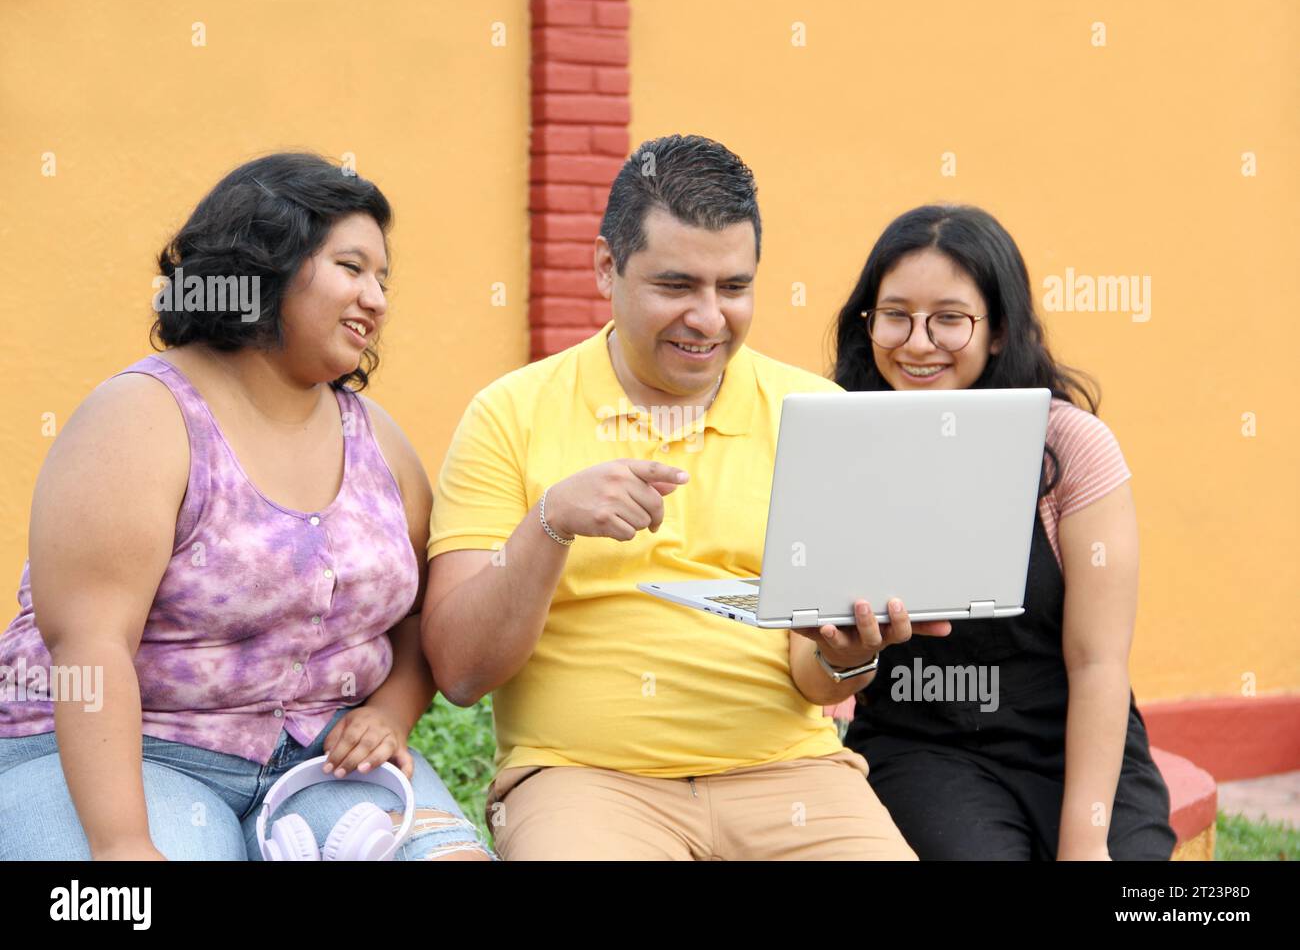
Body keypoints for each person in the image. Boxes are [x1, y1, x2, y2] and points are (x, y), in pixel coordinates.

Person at [421, 134, 949, 860]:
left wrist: (847, 655)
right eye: (676, 286)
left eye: (733, 288)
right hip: (586, 783)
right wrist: (550, 525)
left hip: (790, 775)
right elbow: (460, 671)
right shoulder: (510, 414)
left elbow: (817, 679)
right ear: (607, 266)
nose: (708, 319)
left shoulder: (815, 411)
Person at [0, 152, 491, 861]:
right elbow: (90, 644)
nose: (378, 299)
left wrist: (389, 712)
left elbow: (419, 619)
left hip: (322, 765)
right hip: (125, 759)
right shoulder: (142, 417)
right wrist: (122, 845)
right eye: (352, 268)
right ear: (265, 267)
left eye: (383, 279)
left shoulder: (377, 438)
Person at [832, 204, 1176, 860]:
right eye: (896, 314)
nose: (917, 341)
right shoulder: (840, 443)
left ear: (998, 332)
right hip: (925, 751)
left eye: (950, 319)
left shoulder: (1069, 448)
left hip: (1077, 747)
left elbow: (1099, 661)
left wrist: (1084, 842)